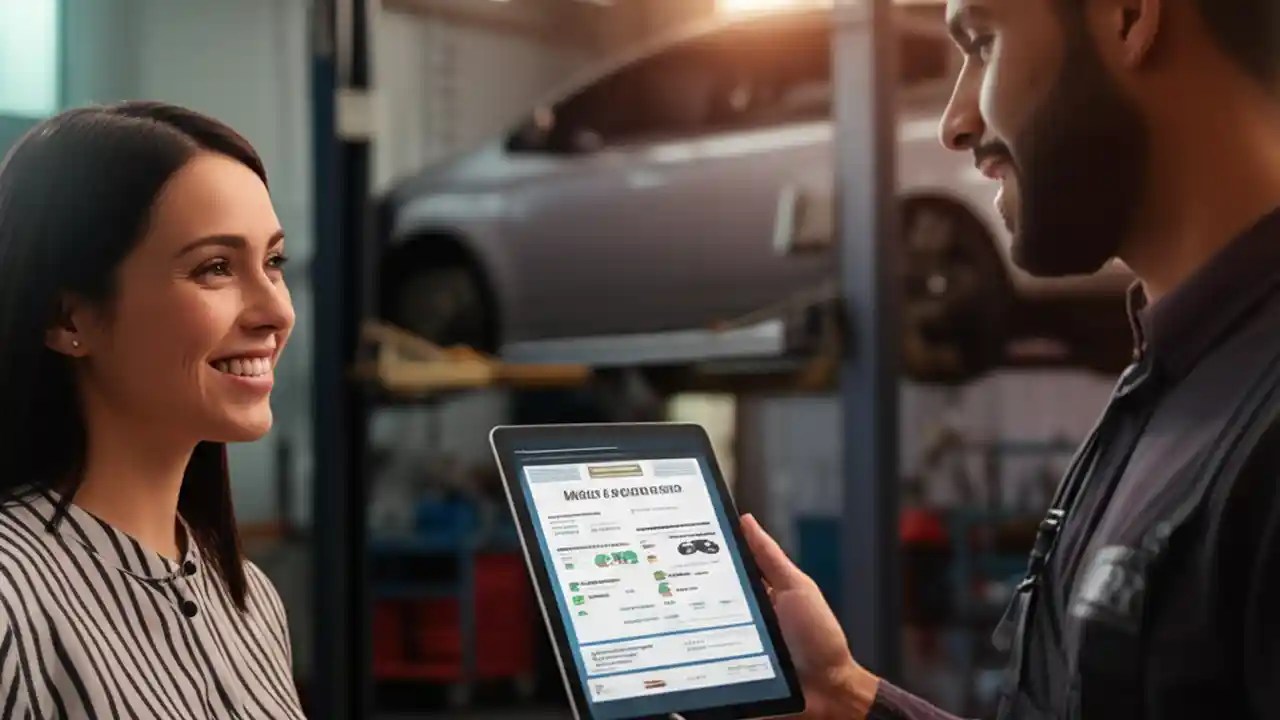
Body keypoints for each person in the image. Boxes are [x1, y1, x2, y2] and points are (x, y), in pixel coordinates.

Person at [741, 0, 1280, 718]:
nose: (956, 122)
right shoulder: (1170, 383)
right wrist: (846, 695)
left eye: (984, 43)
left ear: (1128, 16)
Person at [0, 102, 305, 717]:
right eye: (215, 268)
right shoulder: (11, 601)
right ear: (68, 318)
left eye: (273, 263)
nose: (277, 311)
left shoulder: (249, 599)